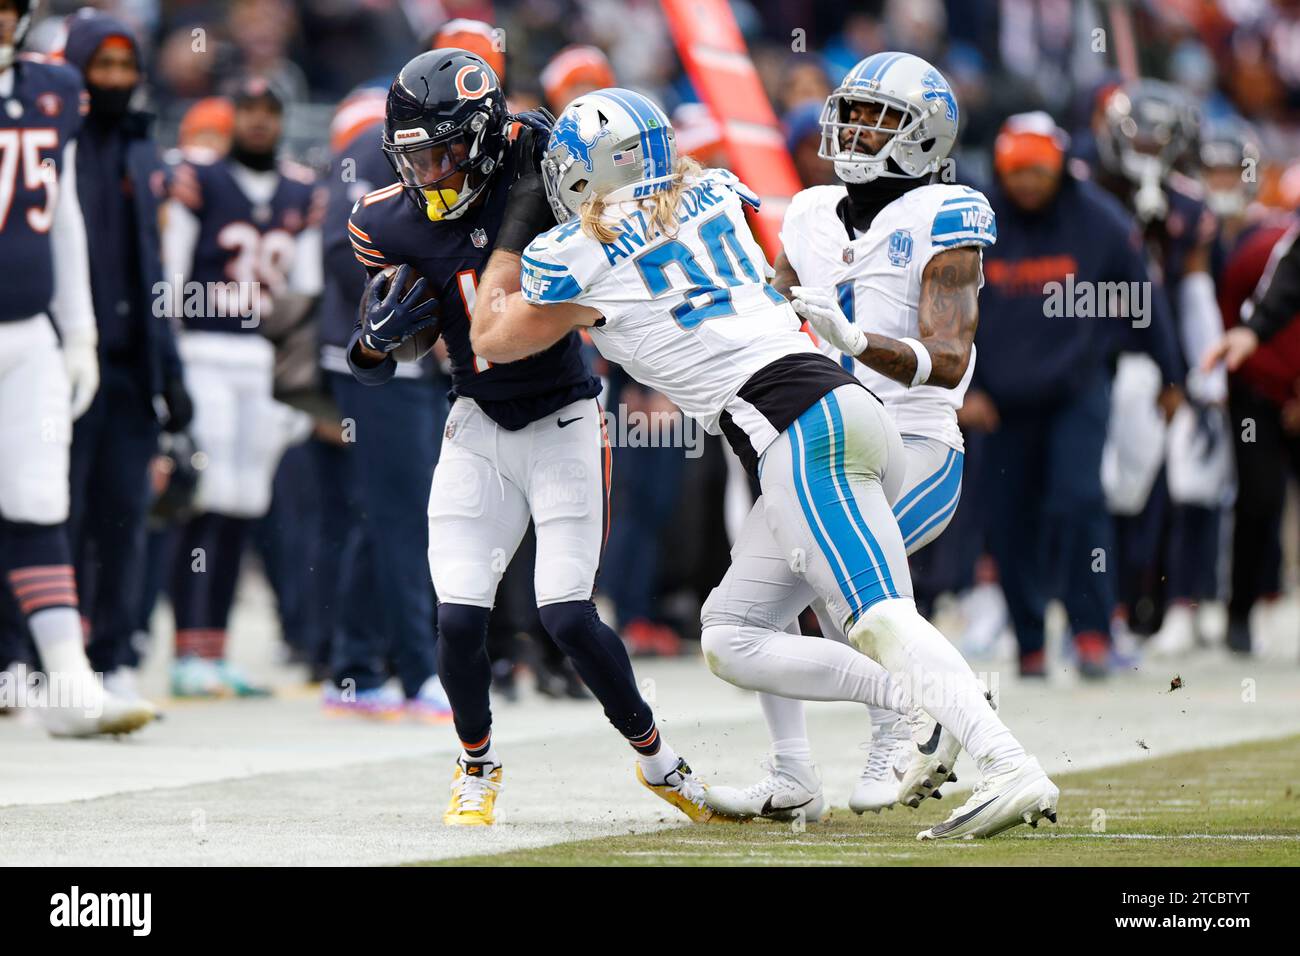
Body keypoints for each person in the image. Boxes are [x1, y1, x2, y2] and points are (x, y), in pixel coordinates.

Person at [471, 85, 1059, 840]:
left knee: (875, 615)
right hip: (827, 411)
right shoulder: (712, 195)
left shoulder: (575, 253)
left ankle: (1006, 761)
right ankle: (852, 744)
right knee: (732, 634)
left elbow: (492, 336)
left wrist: (515, 226)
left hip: (801, 424)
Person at [345, 50, 723, 827]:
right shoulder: (388, 219)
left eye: (445, 152)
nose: (430, 172)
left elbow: (591, 172)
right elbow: (375, 363)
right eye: (415, 156)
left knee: (567, 616)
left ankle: (659, 760)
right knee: (456, 618)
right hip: (475, 423)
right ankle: (476, 763)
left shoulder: (543, 176)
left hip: (563, 420)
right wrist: (376, 343)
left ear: (483, 139)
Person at [702, 52, 996, 820]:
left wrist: (858, 343)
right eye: (853, 112)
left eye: (878, 118)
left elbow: (949, 362)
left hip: (916, 443)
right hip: (818, 441)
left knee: (845, 588)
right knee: (741, 626)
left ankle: (910, 723)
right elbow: (764, 311)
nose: (855, 129)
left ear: (924, 135)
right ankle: (794, 771)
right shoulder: (806, 212)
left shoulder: (947, 212)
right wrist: (717, 252)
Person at [973, 112, 1183, 678]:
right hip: (1000, 398)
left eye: (1039, 170)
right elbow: (944, 309)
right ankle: (1031, 642)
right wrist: (964, 388)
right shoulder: (977, 223)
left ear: (1061, 166)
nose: (1027, 182)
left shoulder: (1100, 221)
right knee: (1007, 518)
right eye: (1016, 170)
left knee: (1078, 500)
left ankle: (1092, 634)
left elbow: (1144, 298)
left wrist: (1171, 375)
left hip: (1078, 386)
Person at [0, 0, 154, 736]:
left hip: (28, 329)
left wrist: (80, 332)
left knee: (37, 502)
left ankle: (66, 685)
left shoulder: (51, 87)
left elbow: (61, 212)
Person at [160, 77, 320, 697]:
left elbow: (302, 295)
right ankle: (186, 648)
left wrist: (296, 381)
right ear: (232, 117)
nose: (257, 122)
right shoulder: (201, 177)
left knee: (245, 503)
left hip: (260, 357)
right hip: (203, 348)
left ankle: (214, 647)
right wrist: (169, 368)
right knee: (205, 496)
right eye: (247, 110)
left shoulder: (299, 189)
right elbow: (173, 277)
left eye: (268, 112)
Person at [56, 8, 192, 702]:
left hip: (133, 366)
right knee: (56, 515)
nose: (111, 80)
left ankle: (113, 656)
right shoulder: (56, 143)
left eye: (122, 68)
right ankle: (34, 662)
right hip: (63, 363)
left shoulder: (144, 148)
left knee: (123, 518)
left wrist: (171, 371)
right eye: (98, 67)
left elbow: (154, 272)